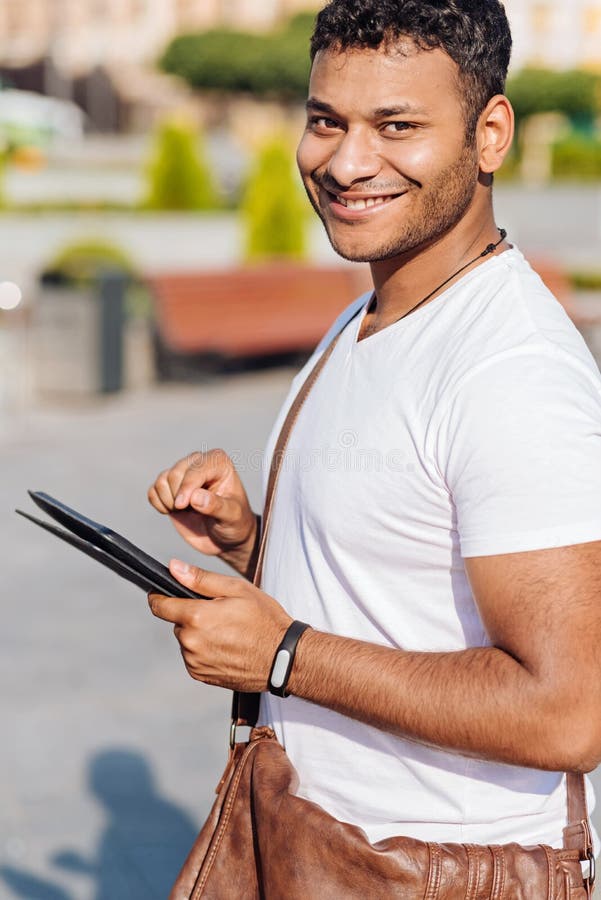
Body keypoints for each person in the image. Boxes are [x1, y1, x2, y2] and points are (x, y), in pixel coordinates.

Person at [147, 0, 601, 856]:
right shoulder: (371, 314)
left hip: (448, 869)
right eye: (326, 120)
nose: (346, 161)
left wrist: (282, 655)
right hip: (327, 842)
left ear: (489, 133)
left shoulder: (512, 371)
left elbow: (567, 712)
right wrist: (253, 544)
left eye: (395, 125)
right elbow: (402, 595)